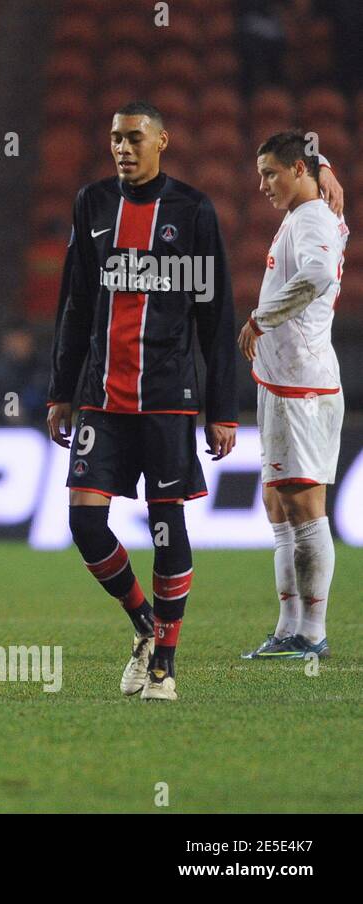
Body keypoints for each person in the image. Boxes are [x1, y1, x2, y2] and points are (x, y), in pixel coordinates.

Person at [46, 101, 239, 702]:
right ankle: (143, 626)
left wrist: (222, 407)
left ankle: (164, 668)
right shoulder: (93, 203)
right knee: (84, 521)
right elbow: (76, 301)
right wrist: (61, 390)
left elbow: (216, 313)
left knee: (164, 524)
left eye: (134, 138)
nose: (122, 149)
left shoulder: (192, 210)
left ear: (163, 141)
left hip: (166, 396)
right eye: (115, 139)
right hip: (102, 394)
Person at [238, 131, 348, 661]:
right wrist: (323, 164)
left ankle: (312, 631)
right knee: (278, 507)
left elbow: (321, 272)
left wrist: (262, 317)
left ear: (298, 170)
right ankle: (288, 628)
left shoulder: (312, 219)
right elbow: (310, 152)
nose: (262, 185)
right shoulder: (311, 202)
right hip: (283, 382)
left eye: (271, 173)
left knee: (304, 509)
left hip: (302, 385)